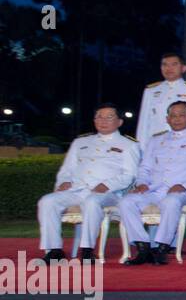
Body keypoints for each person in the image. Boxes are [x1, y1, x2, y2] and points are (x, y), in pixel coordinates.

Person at [38, 104, 141, 263]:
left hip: (109, 193)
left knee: (92, 201)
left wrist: (108, 185)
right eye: (99, 116)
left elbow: (130, 175)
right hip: (77, 190)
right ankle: (54, 250)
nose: (103, 121)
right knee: (47, 201)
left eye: (109, 117)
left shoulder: (129, 145)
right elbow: (67, 169)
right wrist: (64, 181)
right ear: (94, 120)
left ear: (119, 122)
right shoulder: (80, 142)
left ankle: (87, 250)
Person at [119, 101, 186, 265]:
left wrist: (185, 185)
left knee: (171, 201)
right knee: (126, 201)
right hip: (154, 190)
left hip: (185, 192)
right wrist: (141, 183)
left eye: (182, 115)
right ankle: (143, 247)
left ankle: (162, 248)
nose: (177, 119)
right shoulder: (156, 140)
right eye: (173, 116)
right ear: (167, 119)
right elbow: (145, 167)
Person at [136, 52, 186, 141]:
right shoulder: (151, 91)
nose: (169, 68)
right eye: (165, 65)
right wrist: (142, 149)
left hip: (182, 144)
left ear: (184, 68)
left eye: (174, 64)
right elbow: (143, 124)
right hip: (155, 144)